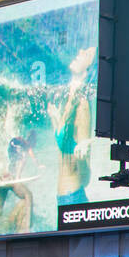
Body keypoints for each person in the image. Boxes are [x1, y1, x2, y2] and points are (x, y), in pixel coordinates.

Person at [50, 45, 96, 208]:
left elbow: (85, 178)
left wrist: (82, 158)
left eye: (87, 52)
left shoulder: (82, 105)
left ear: (90, 66)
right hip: (64, 198)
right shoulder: (66, 99)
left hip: (73, 199)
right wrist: (56, 121)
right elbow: (64, 145)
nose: (80, 52)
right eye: (82, 50)